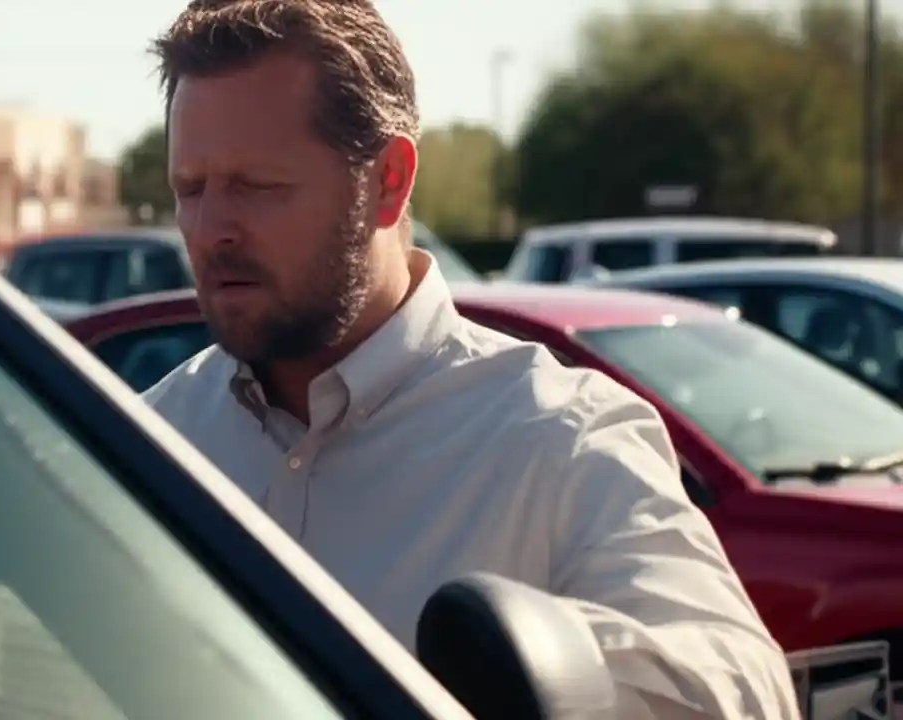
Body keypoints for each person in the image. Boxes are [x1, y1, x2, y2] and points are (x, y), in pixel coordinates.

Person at [143, 1, 800, 717]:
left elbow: (744, 692)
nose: (210, 231)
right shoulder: (143, 443)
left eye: (256, 186)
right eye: (190, 189)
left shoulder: (558, 437)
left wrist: (541, 664)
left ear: (388, 181)